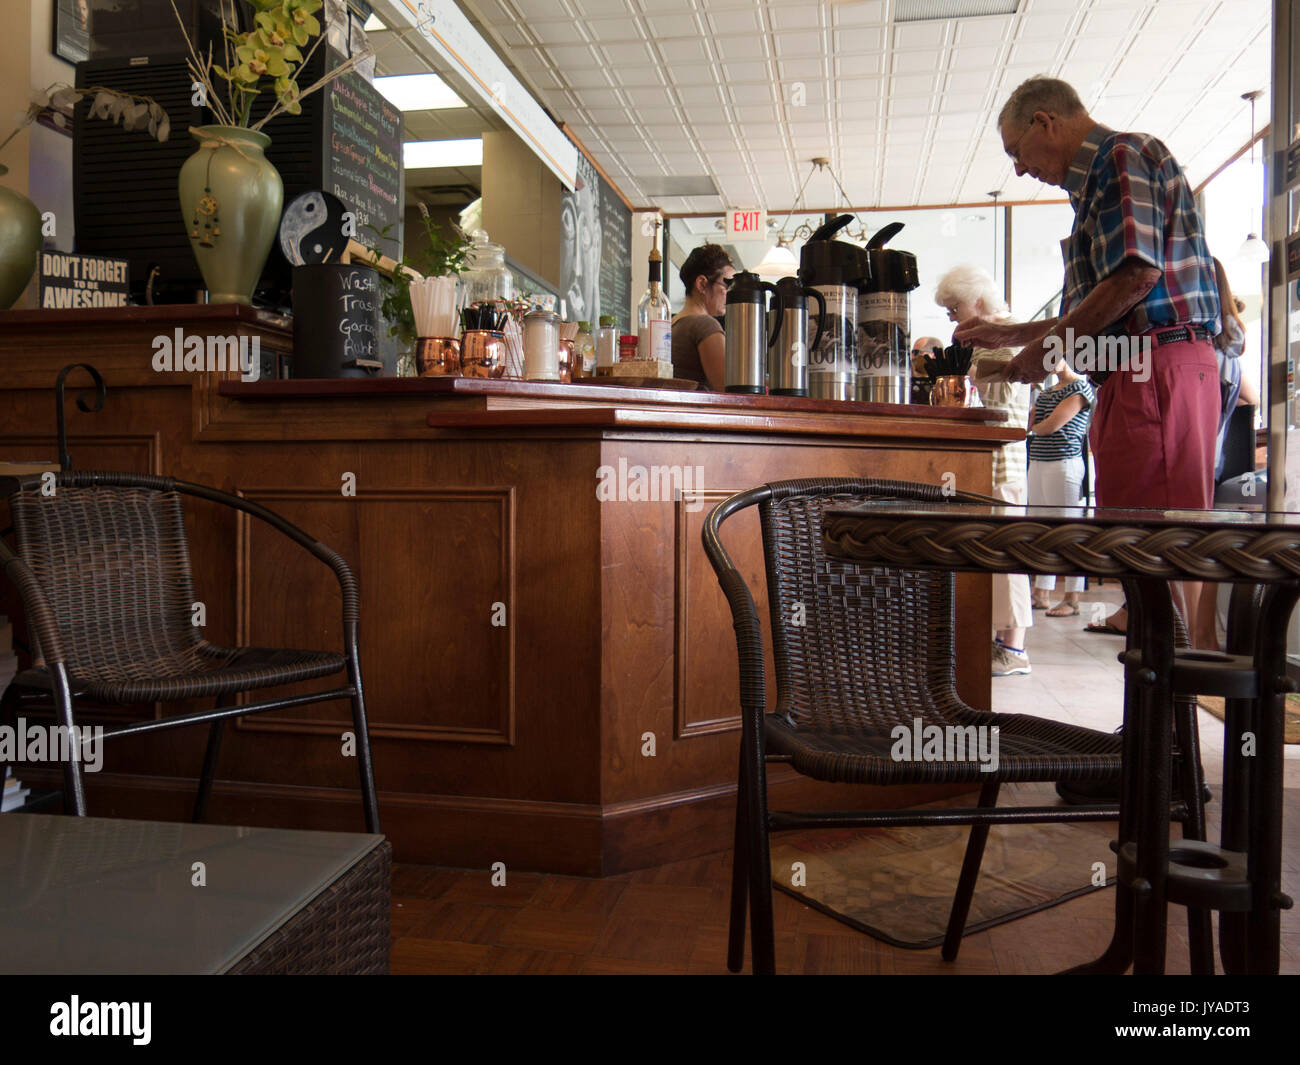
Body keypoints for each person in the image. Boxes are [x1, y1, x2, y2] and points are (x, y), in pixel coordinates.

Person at [954, 76, 1221, 648]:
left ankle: (1182, 696)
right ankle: (1162, 702)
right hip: (1136, 365)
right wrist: (1007, 334)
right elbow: (1093, 307)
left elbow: (1135, 276)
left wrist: (1041, 353)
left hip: (1155, 365)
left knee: (1161, 543)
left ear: (1045, 122)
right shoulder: (1099, 183)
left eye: (1015, 152)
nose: (1021, 169)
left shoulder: (1121, 157)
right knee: (1141, 543)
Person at [935, 266, 1034, 676]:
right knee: (993, 550)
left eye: (954, 307)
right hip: (988, 457)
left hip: (1004, 457)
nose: (952, 316)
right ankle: (998, 641)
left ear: (977, 301)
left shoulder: (1010, 335)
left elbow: (1006, 387)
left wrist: (966, 374)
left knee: (1007, 550)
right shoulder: (990, 340)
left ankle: (1013, 649)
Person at [1027, 357, 1095, 615]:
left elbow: (1051, 424)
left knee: (1068, 532)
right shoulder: (1046, 391)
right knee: (1043, 530)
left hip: (1064, 462)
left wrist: (1036, 426)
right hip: (1039, 461)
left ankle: (1072, 598)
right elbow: (1035, 424)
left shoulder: (1080, 388)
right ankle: (1042, 592)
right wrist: (1037, 426)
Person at [672, 245, 736, 390]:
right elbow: (730, 390)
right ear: (702, 284)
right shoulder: (705, 325)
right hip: (695, 412)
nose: (731, 294)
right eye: (727, 286)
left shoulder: (673, 324)